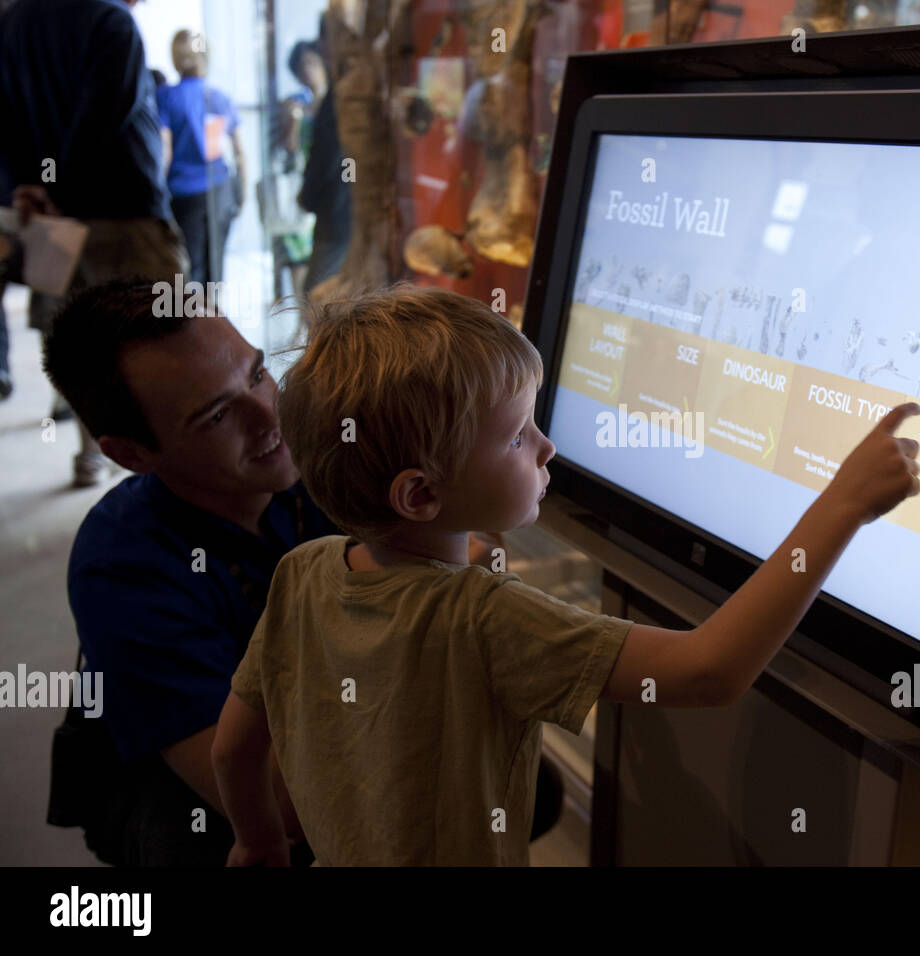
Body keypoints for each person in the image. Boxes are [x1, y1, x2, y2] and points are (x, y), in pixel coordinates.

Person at [212, 285, 920, 865]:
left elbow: (235, 745)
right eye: (517, 435)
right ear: (421, 494)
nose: (547, 446)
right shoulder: (487, 618)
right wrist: (843, 506)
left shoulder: (302, 574)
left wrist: (258, 839)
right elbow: (710, 671)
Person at [41, 280, 562, 864]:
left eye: (257, 374)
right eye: (217, 415)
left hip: (332, 711)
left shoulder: (317, 460)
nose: (270, 415)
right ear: (130, 454)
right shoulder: (123, 569)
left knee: (526, 788)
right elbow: (279, 800)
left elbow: (475, 540)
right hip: (194, 783)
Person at [0, 0, 189, 486]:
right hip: (123, 210)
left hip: (49, 218)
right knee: (167, 333)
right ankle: (175, 472)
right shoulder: (111, 20)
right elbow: (106, 112)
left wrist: (28, 186)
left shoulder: (15, 20)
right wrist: (58, 185)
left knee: (81, 349)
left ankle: (93, 456)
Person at [157, 29, 244, 289]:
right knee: (214, 270)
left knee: (189, 269)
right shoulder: (219, 98)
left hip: (184, 193)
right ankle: (212, 312)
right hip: (219, 189)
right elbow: (239, 152)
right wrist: (242, 193)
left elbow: (165, 151)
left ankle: (194, 314)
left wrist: (156, 191)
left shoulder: (168, 96)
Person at [266, 40, 327, 303]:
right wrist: (293, 122)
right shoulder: (294, 104)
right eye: (302, 66)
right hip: (301, 186)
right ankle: (303, 316)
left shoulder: (333, 103)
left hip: (328, 190)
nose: (308, 71)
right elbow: (289, 148)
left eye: (312, 63)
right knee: (299, 259)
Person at [297, 17, 351, 295]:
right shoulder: (340, 87)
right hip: (342, 207)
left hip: (340, 210)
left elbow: (331, 155)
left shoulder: (343, 89)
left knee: (317, 296)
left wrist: (308, 195)